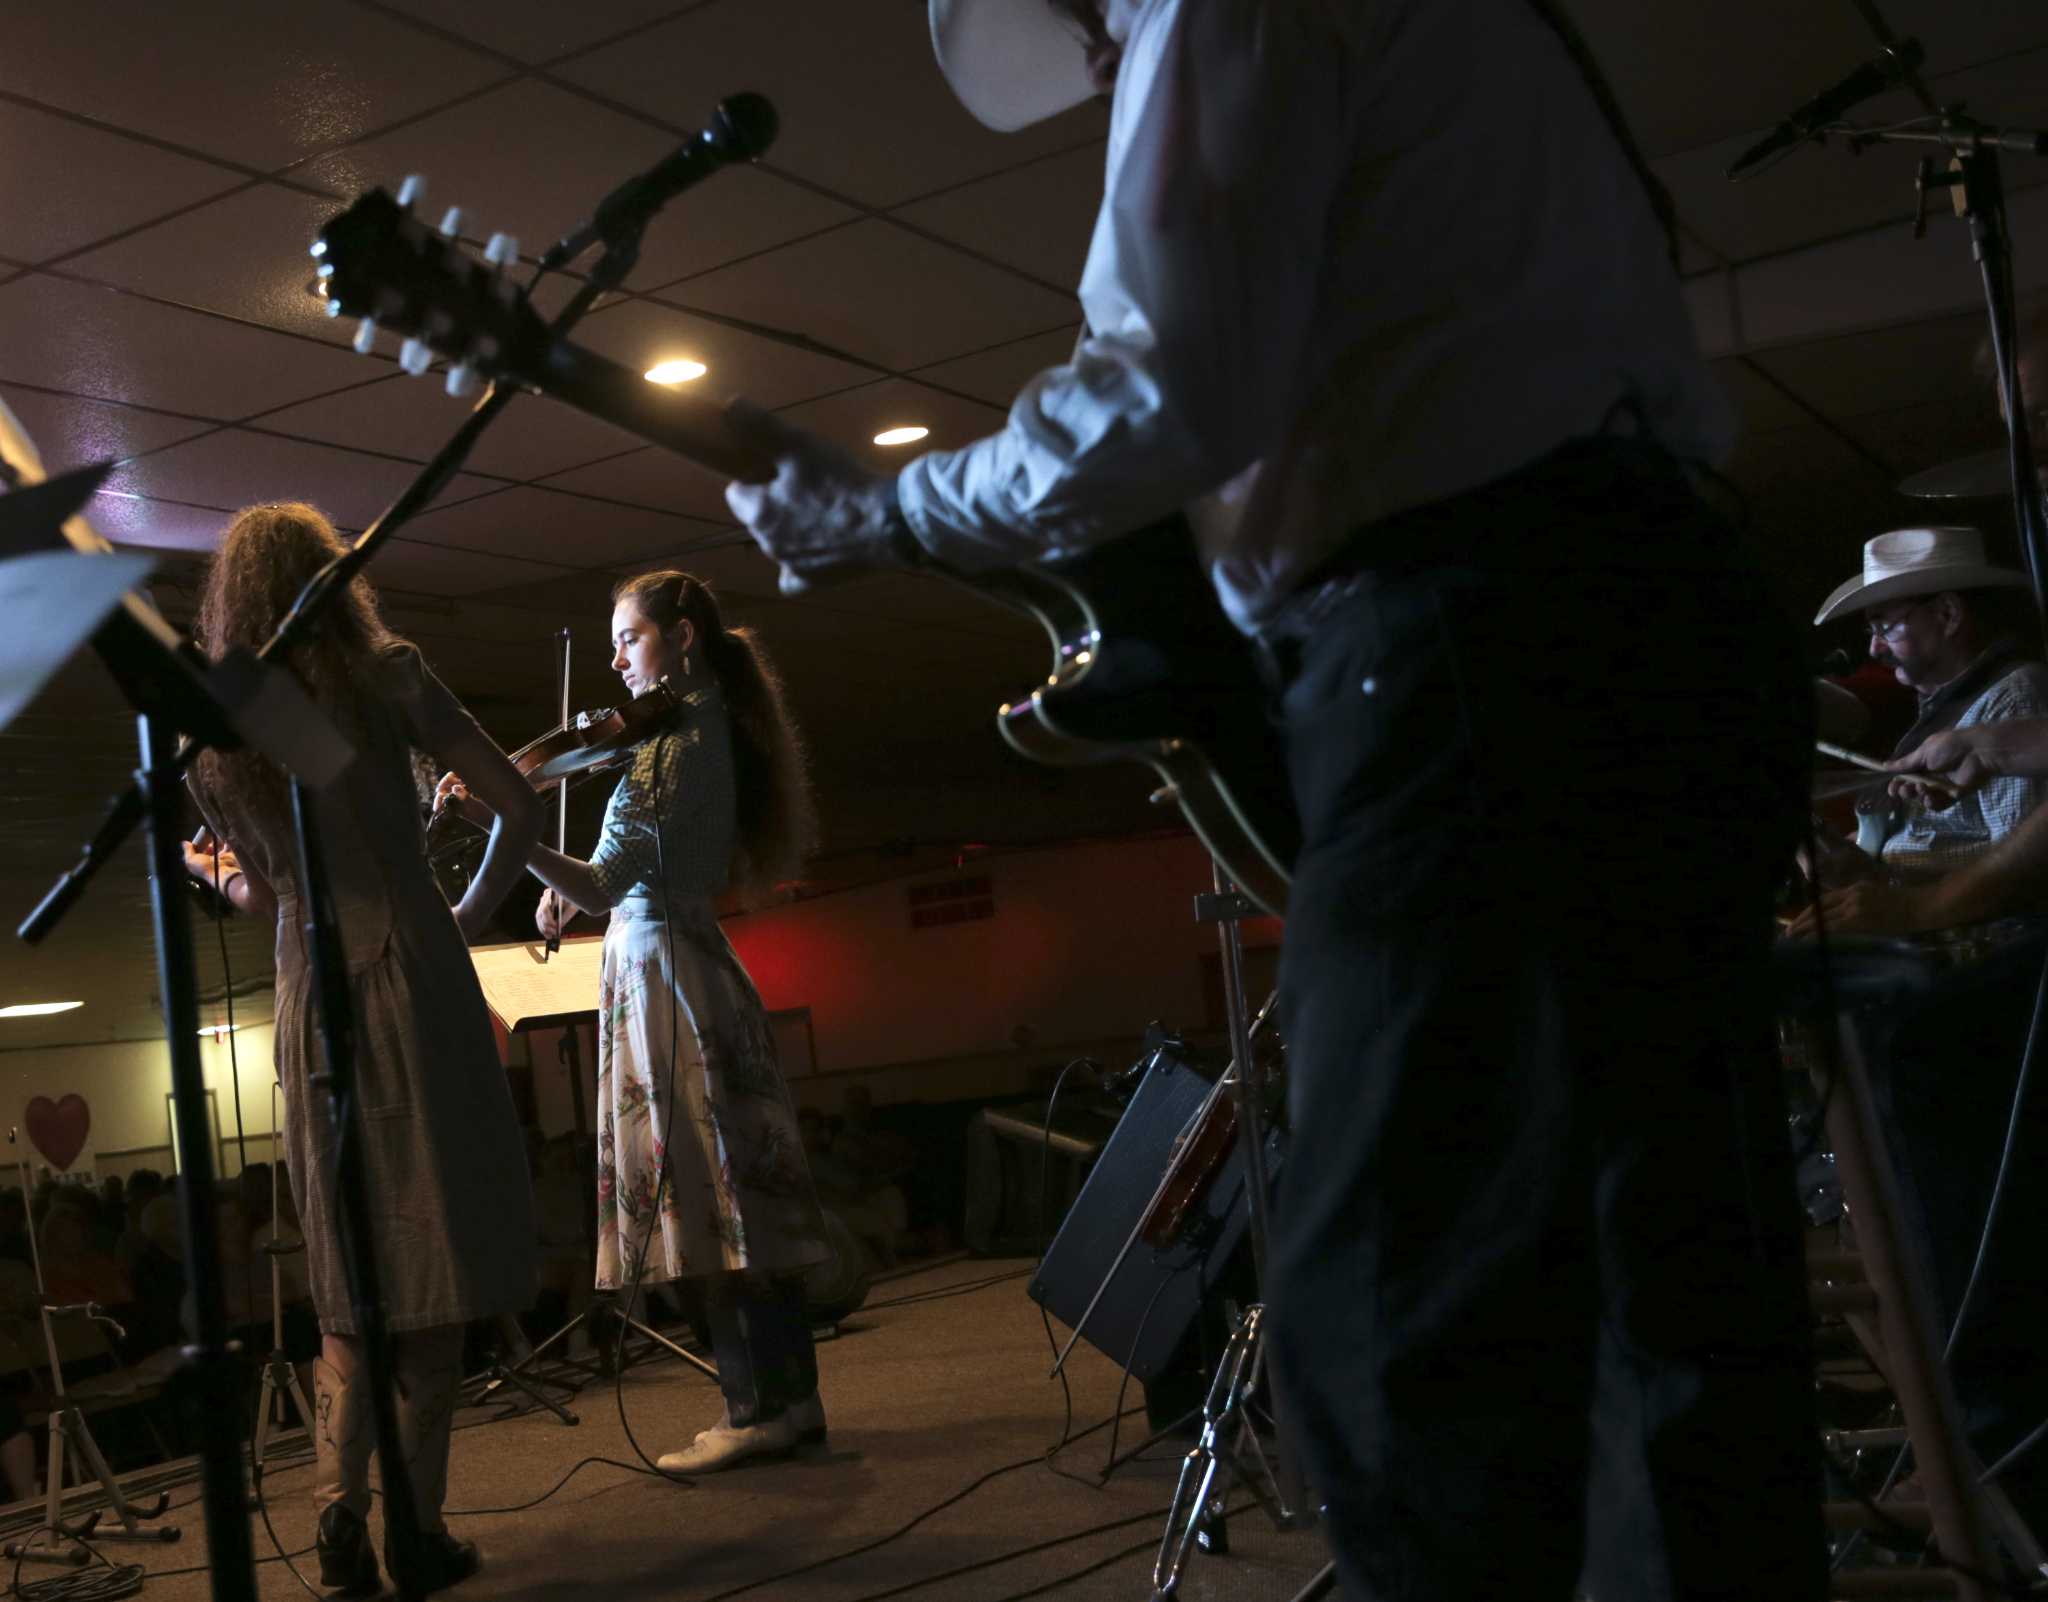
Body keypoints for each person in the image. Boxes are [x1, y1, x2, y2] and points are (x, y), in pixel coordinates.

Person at [721, 1, 1825, 1595]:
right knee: (1672, 1281)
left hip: (1468, 651)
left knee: (1395, 1313)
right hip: (1660, 616)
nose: (1108, 62)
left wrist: (897, 511)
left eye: (1095, 37)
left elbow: (1175, 383)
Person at [179, 502, 541, 1595]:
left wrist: (212, 877)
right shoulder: (387, 673)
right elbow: (516, 803)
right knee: (428, 1260)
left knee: (351, 1273)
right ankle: (415, 1533)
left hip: (306, 995)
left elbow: (260, 891)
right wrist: (463, 915)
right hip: (412, 977)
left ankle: (339, 1517)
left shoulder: (223, 722)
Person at [436, 569, 830, 1474]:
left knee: (699, 1202)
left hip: (662, 979)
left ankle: (754, 1408)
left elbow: (607, 882)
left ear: (682, 635)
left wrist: (515, 830)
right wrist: (567, 890)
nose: (614, 660)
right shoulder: (698, 730)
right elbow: (625, 876)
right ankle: (793, 1399)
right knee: (739, 1202)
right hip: (687, 957)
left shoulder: (668, 751)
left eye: (628, 638)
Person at [1806, 526, 2048, 887]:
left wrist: (1885, 889)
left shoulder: (2013, 697)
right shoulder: (1941, 702)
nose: (1874, 649)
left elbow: (2023, 877)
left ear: (1948, 614)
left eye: (1884, 627)